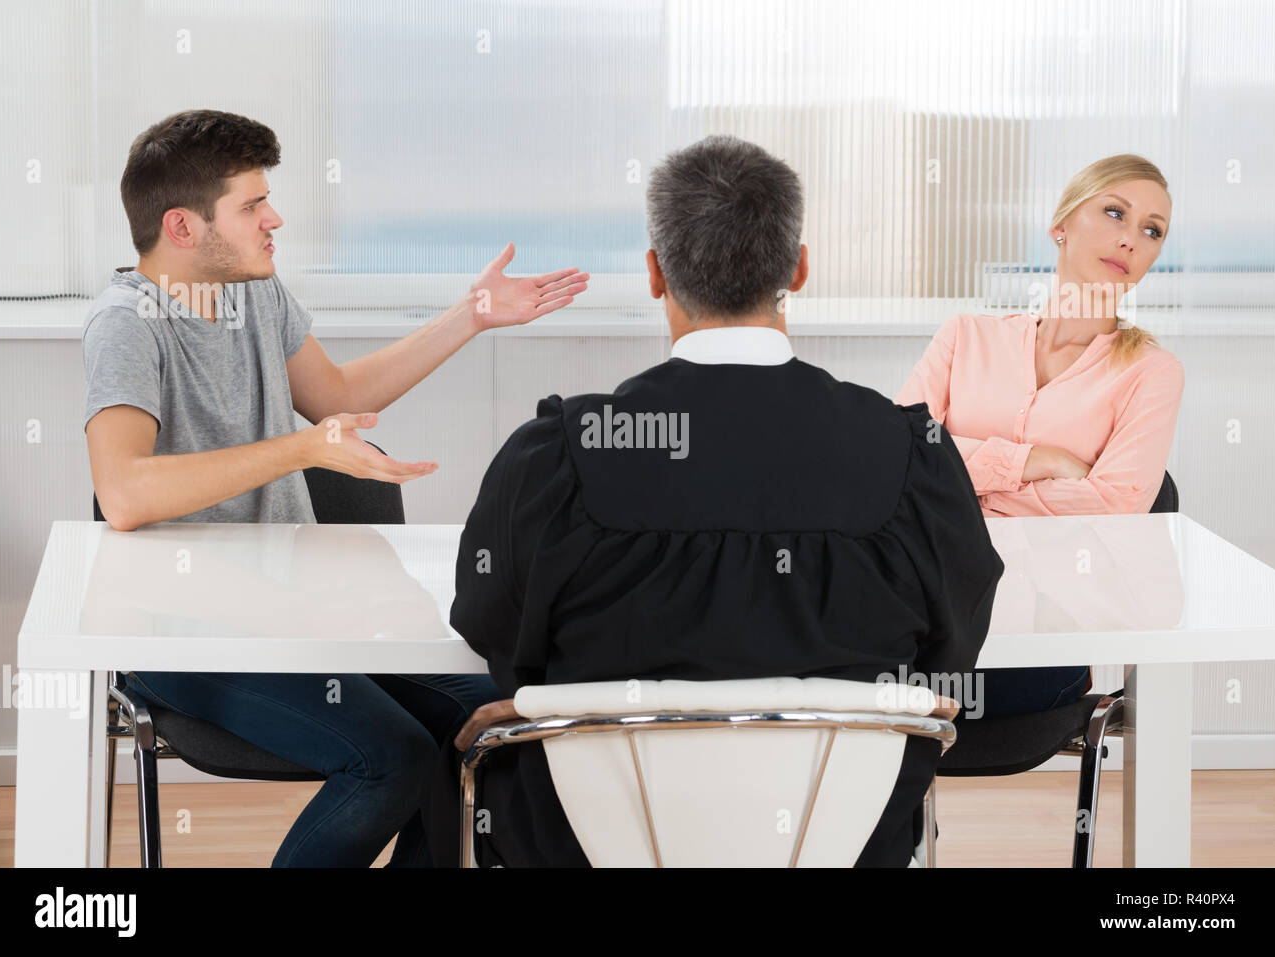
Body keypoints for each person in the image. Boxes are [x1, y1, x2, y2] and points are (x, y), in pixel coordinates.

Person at [438, 134, 1004, 867]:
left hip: (585, 845)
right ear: (799, 267)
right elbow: (951, 639)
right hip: (845, 843)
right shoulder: (911, 453)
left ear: (653, 273)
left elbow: (499, 632)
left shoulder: (558, 455)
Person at [82, 109, 588, 865]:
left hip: (299, 615)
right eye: (252, 205)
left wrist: (471, 317)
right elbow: (122, 491)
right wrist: (298, 449)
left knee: (494, 727)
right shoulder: (127, 325)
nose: (274, 217)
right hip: (189, 630)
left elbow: (338, 392)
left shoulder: (254, 292)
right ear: (182, 227)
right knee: (394, 758)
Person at [895, 153, 1185, 718]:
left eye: (1152, 231)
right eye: (1114, 213)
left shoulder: (1152, 372)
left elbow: (1114, 503)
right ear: (1061, 226)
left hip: (1043, 644)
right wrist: (1035, 461)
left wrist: (956, 487)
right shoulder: (964, 337)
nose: (1131, 240)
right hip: (923, 619)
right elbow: (897, 458)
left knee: (889, 713)